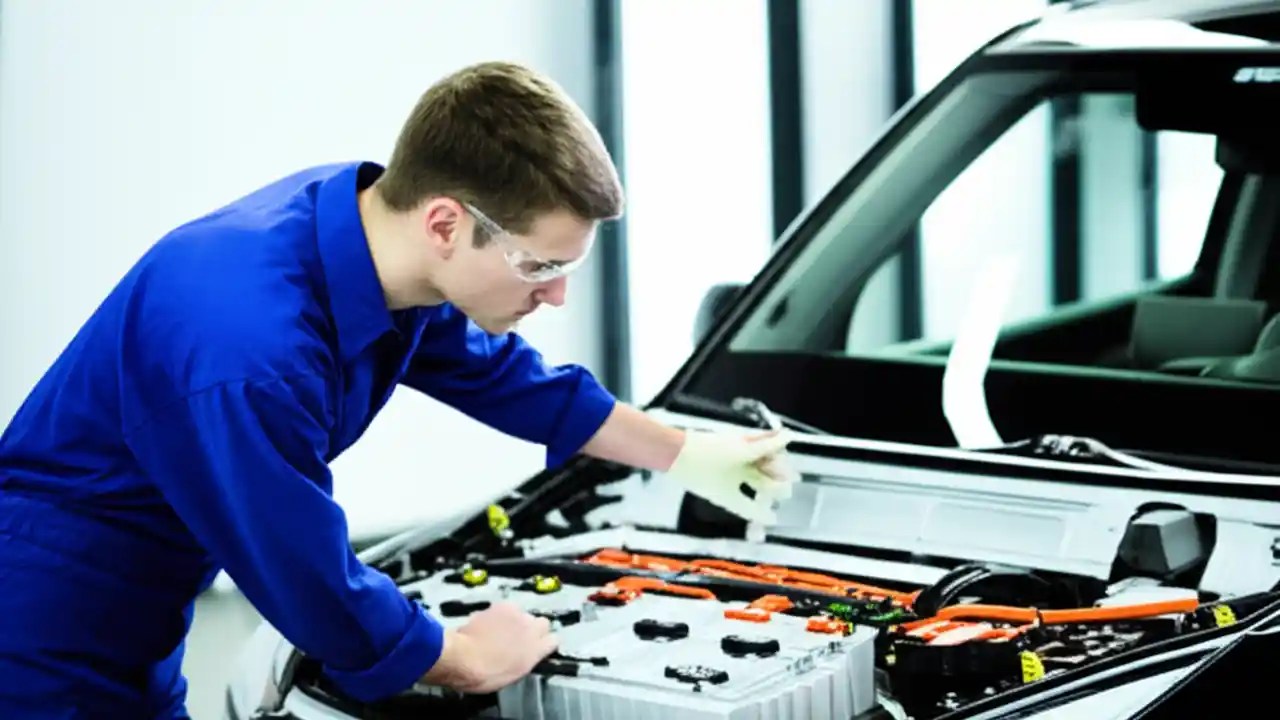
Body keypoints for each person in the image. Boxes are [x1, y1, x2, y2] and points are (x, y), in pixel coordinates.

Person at [0, 61, 797, 718]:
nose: (556, 297)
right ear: (447, 223)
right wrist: (466, 656)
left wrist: (685, 450)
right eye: (541, 266)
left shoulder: (364, 233)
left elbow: (502, 375)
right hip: (43, 638)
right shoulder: (249, 350)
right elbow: (306, 578)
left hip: (139, 616)